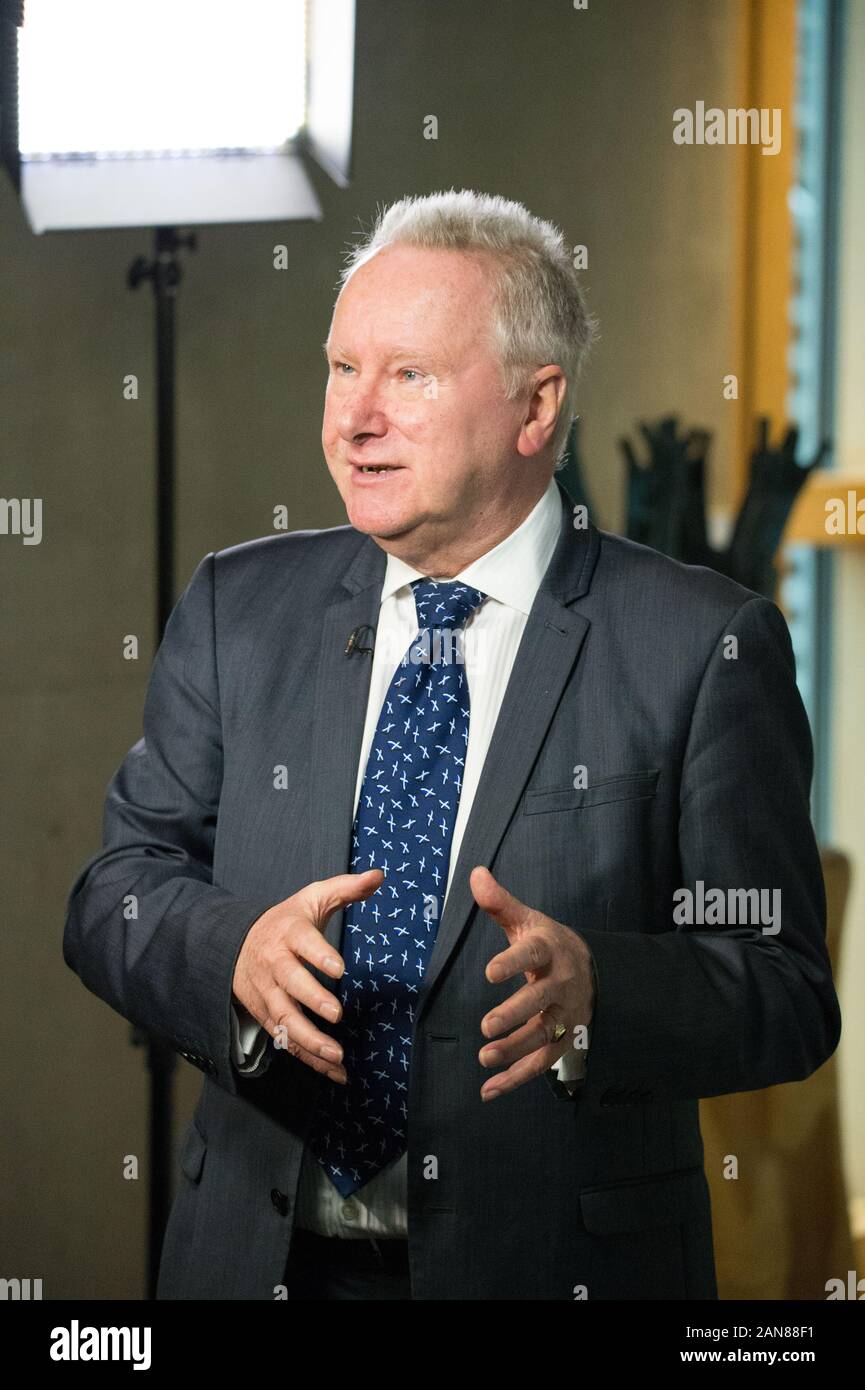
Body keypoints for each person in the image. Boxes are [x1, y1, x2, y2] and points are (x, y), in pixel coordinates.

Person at [64, 189, 840, 1300]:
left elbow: (785, 989)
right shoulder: (242, 604)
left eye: (408, 376)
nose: (352, 418)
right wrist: (230, 952)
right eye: (341, 369)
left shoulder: (701, 645)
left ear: (537, 407)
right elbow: (114, 892)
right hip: (251, 1260)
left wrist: (602, 990)